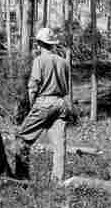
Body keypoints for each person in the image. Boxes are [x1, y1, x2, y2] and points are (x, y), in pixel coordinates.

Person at [13, 27, 73, 182]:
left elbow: (33, 87)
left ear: (39, 44)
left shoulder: (39, 61)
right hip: (61, 104)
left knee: (22, 139)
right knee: (59, 145)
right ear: (53, 44)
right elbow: (66, 89)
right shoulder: (63, 62)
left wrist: (34, 106)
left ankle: (21, 177)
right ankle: (57, 181)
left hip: (44, 102)